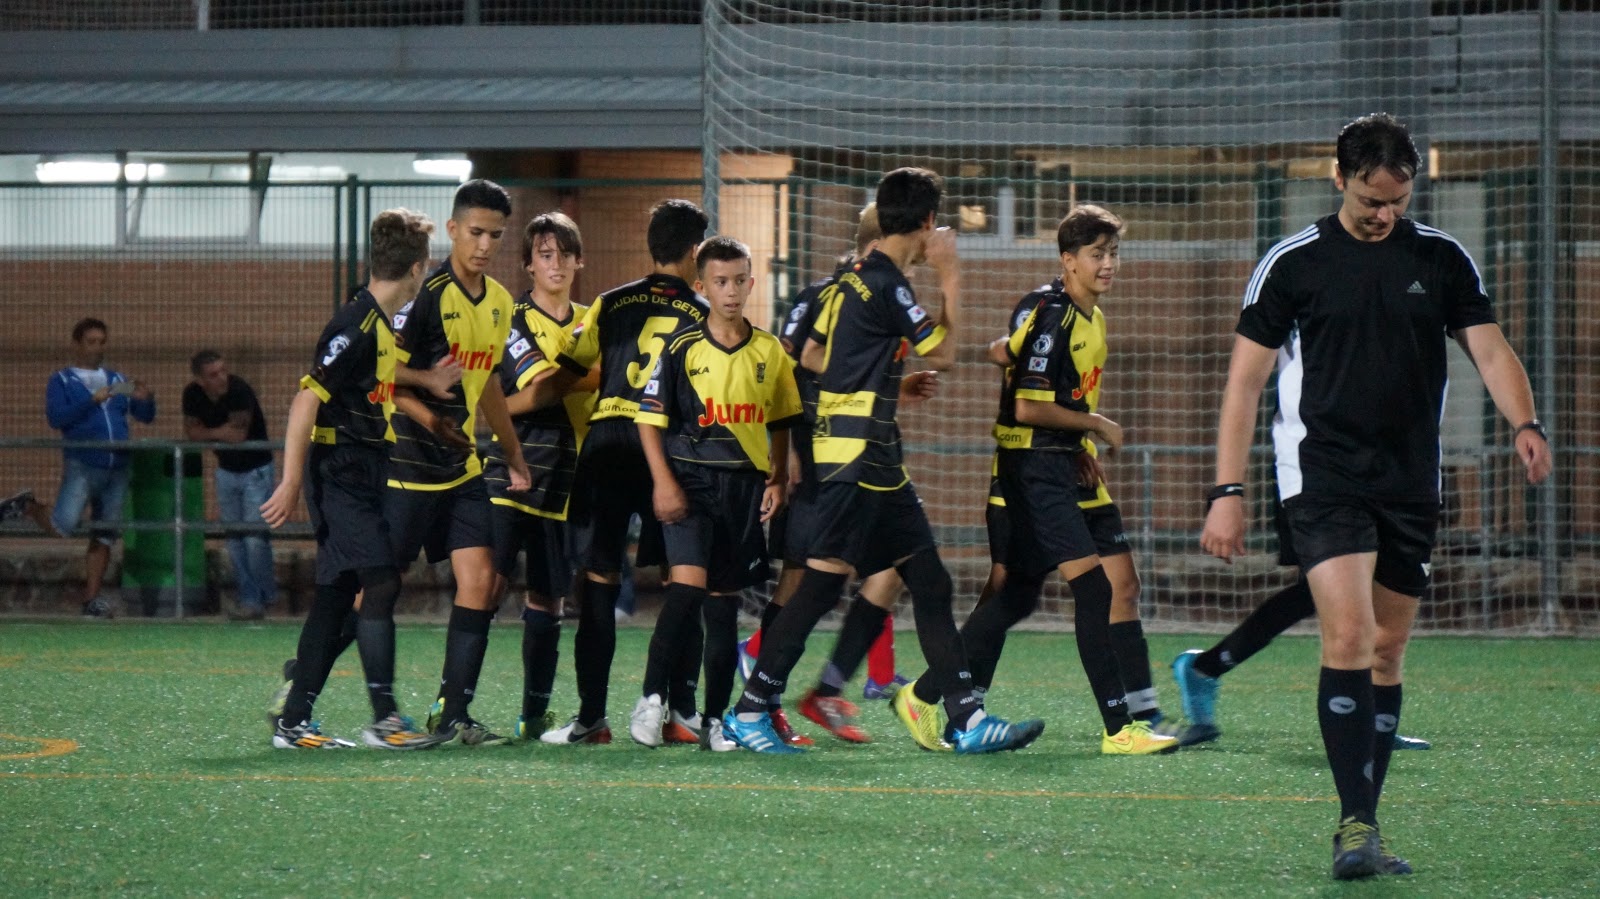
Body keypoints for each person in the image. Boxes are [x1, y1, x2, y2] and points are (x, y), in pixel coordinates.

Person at [1199, 113, 1552, 879]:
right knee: (1350, 636)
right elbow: (1244, 384)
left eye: (1395, 201)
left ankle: (1366, 823)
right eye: (1368, 200)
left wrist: (1525, 421)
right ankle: (1353, 824)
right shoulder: (1293, 263)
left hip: (1408, 480)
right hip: (1323, 474)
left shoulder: (1440, 258)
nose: (1382, 215)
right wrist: (1226, 489)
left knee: (1389, 649)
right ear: (1339, 180)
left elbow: (1489, 348)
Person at [725, 166, 1043, 755]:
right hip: (853, 461)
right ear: (926, 223)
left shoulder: (846, 280)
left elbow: (811, 352)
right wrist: (951, 275)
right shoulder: (891, 283)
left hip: (865, 458)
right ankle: (751, 709)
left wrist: (879, 385)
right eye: (936, 227)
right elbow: (945, 353)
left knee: (928, 579)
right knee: (822, 586)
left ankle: (965, 719)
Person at [920, 205, 1177, 755]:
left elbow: (1006, 356)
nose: (1108, 264)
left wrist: (1081, 442)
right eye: (1096, 255)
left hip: (1067, 462)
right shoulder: (1051, 312)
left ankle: (929, 697)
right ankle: (1119, 727)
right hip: (1032, 469)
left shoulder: (1091, 317)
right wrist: (1095, 425)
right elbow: (1031, 405)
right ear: (1068, 260)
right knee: (1080, 589)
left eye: (1113, 254)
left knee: (1033, 595)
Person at [260, 207, 447, 750]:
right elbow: (304, 399)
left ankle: (294, 721)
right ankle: (385, 720)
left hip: (365, 470)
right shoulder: (356, 323)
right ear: (416, 269)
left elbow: (380, 377)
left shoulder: (380, 327)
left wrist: (429, 392)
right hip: (338, 471)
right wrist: (292, 479)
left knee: (336, 596)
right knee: (381, 580)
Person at [540, 200, 712, 746]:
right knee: (684, 580)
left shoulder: (610, 303)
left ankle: (591, 718)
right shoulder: (705, 311)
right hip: (669, 452)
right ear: (693, 252)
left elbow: (564, 372)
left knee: (598, 580)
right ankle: (682, 713)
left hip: (607, 447)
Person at [739, 202, 907, 749]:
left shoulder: (876, 296)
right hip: (820, 459)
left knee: (887, 570)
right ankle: (762, 688)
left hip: (859, 458)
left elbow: (853, 373)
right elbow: (791, 365)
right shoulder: (827, 296)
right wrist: (783, 459)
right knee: (809, 580)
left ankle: (821, 688)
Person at [631, 236, 803, 752]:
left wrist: (777, 477)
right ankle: (650, 701)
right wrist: (662, 482)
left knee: (724, 608)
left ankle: (712, 720)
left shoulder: (769, 351)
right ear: (702, 287)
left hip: (743, 490)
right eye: (721, 282)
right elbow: (649, 419)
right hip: (689, 481)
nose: (732, 291)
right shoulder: (681, 347)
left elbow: (782, 422)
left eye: (740, 280)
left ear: (752, 281)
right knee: (686, 589)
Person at [386, 179, 532, 747]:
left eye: (495, 235)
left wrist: (514, 454)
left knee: (480, 582)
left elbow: (490, 382)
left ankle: (453, 712)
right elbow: (384, 372)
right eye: (475, 232)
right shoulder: (425, 294)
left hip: (464, 468)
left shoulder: (498, 302)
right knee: (375, 589)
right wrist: (430, 421)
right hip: (408, 464)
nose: (485, 245)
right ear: (451, 230)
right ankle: (304, 678)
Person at [1167, 507, 1432, 751]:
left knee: (1351, 588)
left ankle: (1206, 667)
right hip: (1316, 484)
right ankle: (1204, 667)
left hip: (1376, 484)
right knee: (1325, 590)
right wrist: (1228, 491)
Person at [481, 211, 598, 741]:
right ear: (528, 264)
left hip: (568, 480)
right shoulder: (512, 317)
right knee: (485, 586)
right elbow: (548, 384)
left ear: (579, 260)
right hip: (512, 467)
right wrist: (600, 373)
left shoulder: (592, 320)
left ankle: (534, 714)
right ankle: (450, 703)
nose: (556, 264)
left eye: (564, 254)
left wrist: (511, 401)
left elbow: (550, 389)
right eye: (545, 255)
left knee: (549, 599)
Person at [1, 318, 157, 618]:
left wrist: (147, 399)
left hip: (118, 466)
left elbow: (144, 415)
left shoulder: (116, 378)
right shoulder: (61, 380)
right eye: (92, 342)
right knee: (64, 524)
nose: (98, 348)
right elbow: (57, 418)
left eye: (102, 342)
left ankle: (91, 600)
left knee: (105, 532)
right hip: (84, 464)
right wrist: (90, 401)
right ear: (77, 344)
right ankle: (29, 506)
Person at [183, 350, 277, 620]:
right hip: (226, 470)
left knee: (254, 537)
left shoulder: (239, 390)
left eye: (223, 370)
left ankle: (265, 595)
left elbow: (237, 434)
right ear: (200, 380)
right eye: (214, 375)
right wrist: (218, 433)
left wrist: (210, 434)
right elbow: (191, 433)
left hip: (255, 470)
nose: (222, 378)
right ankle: (250, 600)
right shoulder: (193, 394)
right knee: (234, 539)